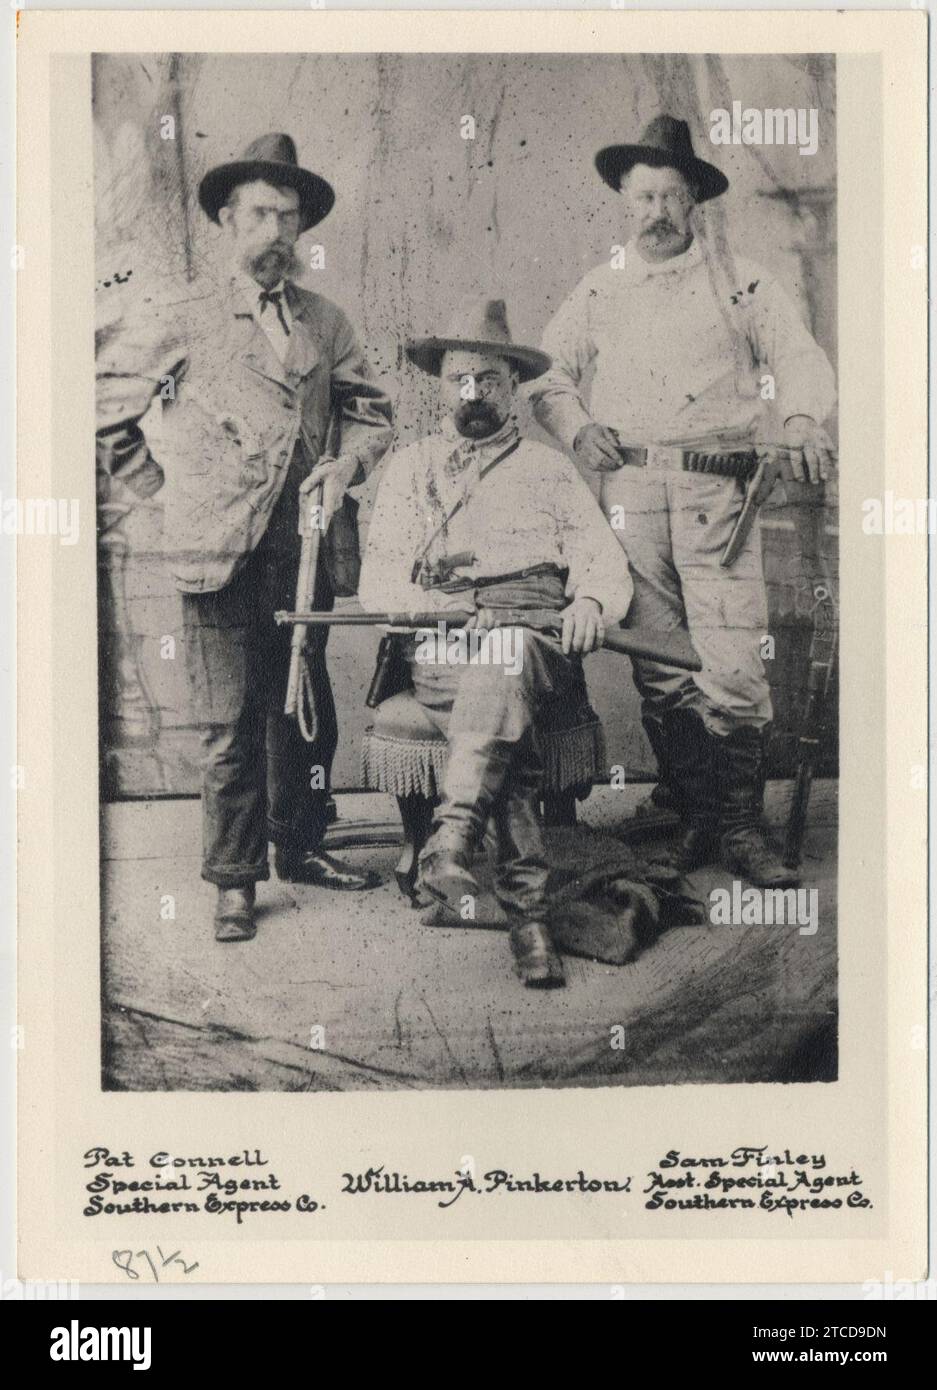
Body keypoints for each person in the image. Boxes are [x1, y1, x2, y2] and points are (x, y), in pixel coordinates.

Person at [96, 133, 393, 942]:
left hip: (303, 550)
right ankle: (233, 880)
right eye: (260, 213)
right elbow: (103, 410)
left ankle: (299, 848)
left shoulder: (325, 320)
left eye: (288, 216)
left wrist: (346, 463)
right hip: (217, 548)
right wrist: (164, 494)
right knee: (229, 723)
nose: (275, 232)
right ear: (228, 219)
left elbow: (372, 411)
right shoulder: (180, 315)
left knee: (302, 708)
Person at [530, 115, 837, 887]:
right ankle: (695, 819)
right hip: (631, 490)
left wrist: (800, 416)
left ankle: (741, 827)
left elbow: (798, 356)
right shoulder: (600, 286)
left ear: (694, 200)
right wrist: (575, 426)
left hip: (717, 493)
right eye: (643, 197)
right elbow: (545, 373)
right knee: (660, 663)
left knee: (731, 658)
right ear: (624, 203)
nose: (656, 212)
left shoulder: (739, 277)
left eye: (670, 195)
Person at [359, 298, 632, 987]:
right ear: (440, 386)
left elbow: (601, 558)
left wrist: (592, 602)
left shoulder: (546, 468)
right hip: (447, 646)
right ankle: (529, 922)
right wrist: (445, 609)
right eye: (459, 380)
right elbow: (380, 579)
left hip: (535, 642)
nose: (473, 393)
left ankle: (451, 839)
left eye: (487, 378)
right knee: (497, 695)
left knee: (506, 663)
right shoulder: (411, 466)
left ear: (512, 387)